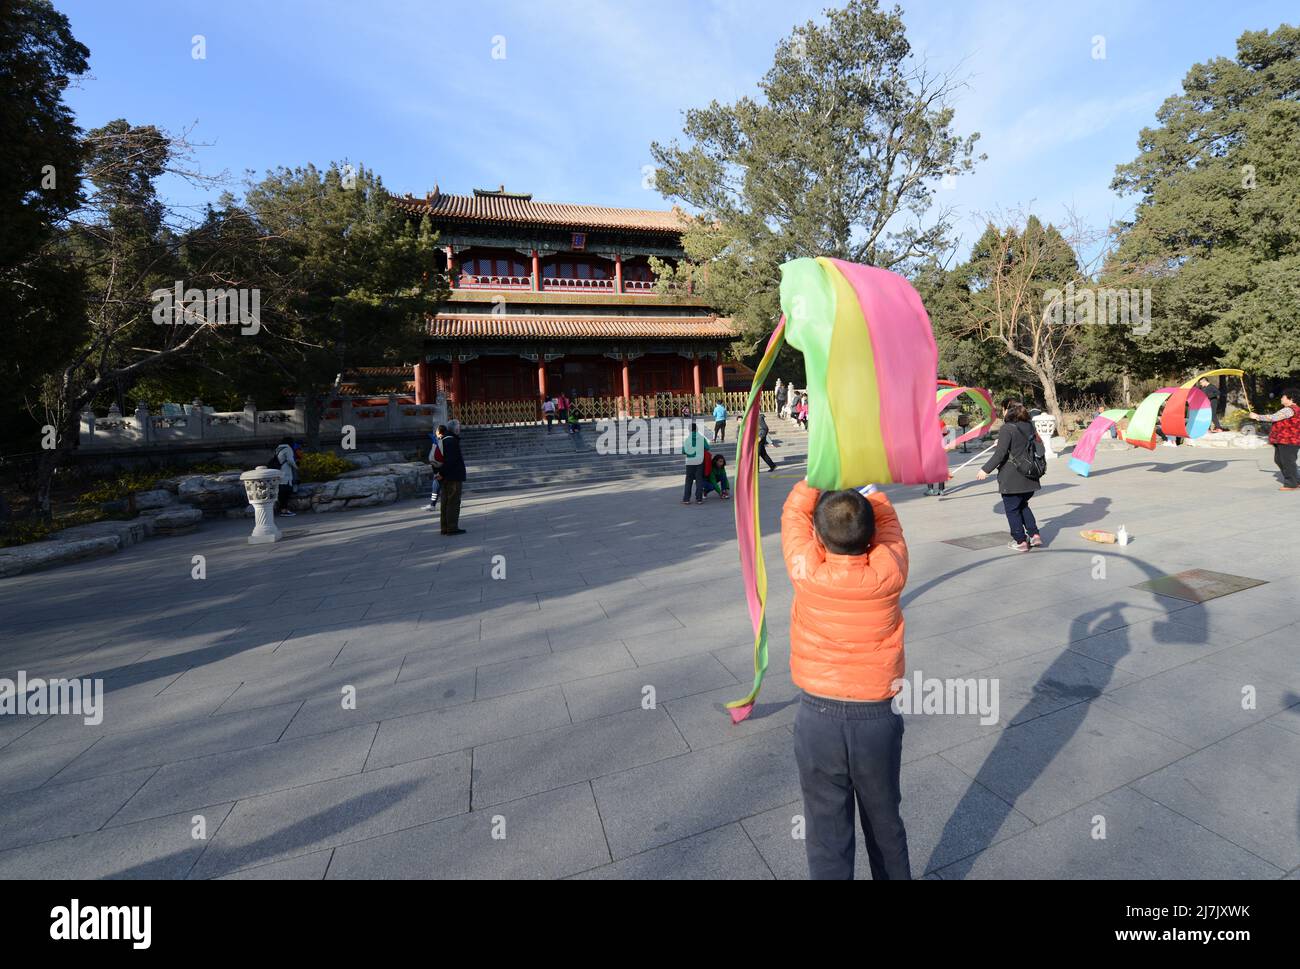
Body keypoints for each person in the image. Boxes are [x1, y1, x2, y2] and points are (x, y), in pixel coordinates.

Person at [782, 480, 911, 880]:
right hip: (876, 719)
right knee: (885, 821)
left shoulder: (806, 572)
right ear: (872, 536)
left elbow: (792, 517)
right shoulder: (890, 571)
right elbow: (890, 525)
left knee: (825, 827)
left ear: (818, 537)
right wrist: (872, 489)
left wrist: (814, 479)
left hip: (817, 717)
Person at [977, 402, 1044, 551]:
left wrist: (985, 470)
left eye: (1003, 409)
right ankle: (1034, 535)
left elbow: (1000, 454)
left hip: (1012, 478)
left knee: (1012, 510)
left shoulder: (1007, 428)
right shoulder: (1029, 426)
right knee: (1022, 505)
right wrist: (1001, 442)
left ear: (1008, 411)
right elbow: (1028, 445)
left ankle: (1020, 541)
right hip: (1030, 476)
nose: (1003, 412)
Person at [1249, 389, 1300, 491]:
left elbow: (1274, 417)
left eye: (1283, 397)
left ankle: (1291, 484)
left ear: (1291, 399)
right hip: (1283, 440)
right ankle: (1296, 480)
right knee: (1280, 460)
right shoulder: (1291, 409)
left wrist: (1257, 416)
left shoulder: (1289, 409)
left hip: (1289, 440)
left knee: (1287, 462)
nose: (1281, 398)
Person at [435, 423, 467, 534]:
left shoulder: (443, 440)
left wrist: (440, 473)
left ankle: (444, 527)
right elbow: (451, 461)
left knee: (445, 501)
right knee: (453, 501)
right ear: (455, 429)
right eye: (459, 427)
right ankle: (452, 527)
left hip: (444, 476)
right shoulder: (452, 441)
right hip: (453, 476)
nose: (460, 428)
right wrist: (443, 473)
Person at [681, 421, 709, 504]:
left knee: (689, 480)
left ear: (689, 430)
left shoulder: (687, 440)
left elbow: (683, 451)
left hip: (690, 462)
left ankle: (686, 499)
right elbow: (707, 448)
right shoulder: (701, 438)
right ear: (697, 429)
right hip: (700, 461)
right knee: (699, 480)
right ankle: (699, 499)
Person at [273, 436, 298, 516]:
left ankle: (282, 509)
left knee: (281, 492)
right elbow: (290, 460)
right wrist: (297, 467)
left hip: (278, 472)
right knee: (286, 492)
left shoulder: (278, 449)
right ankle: (284, 510)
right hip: (286, 473)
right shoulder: (288, 449)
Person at [425, 430, 443, 510]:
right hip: (438, 470)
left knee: (438, 487)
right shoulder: (437, 442)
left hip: (441, 471)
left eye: (437, 432)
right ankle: (432, 504)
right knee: (435, 487)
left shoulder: (441, 443)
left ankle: (433, 504)